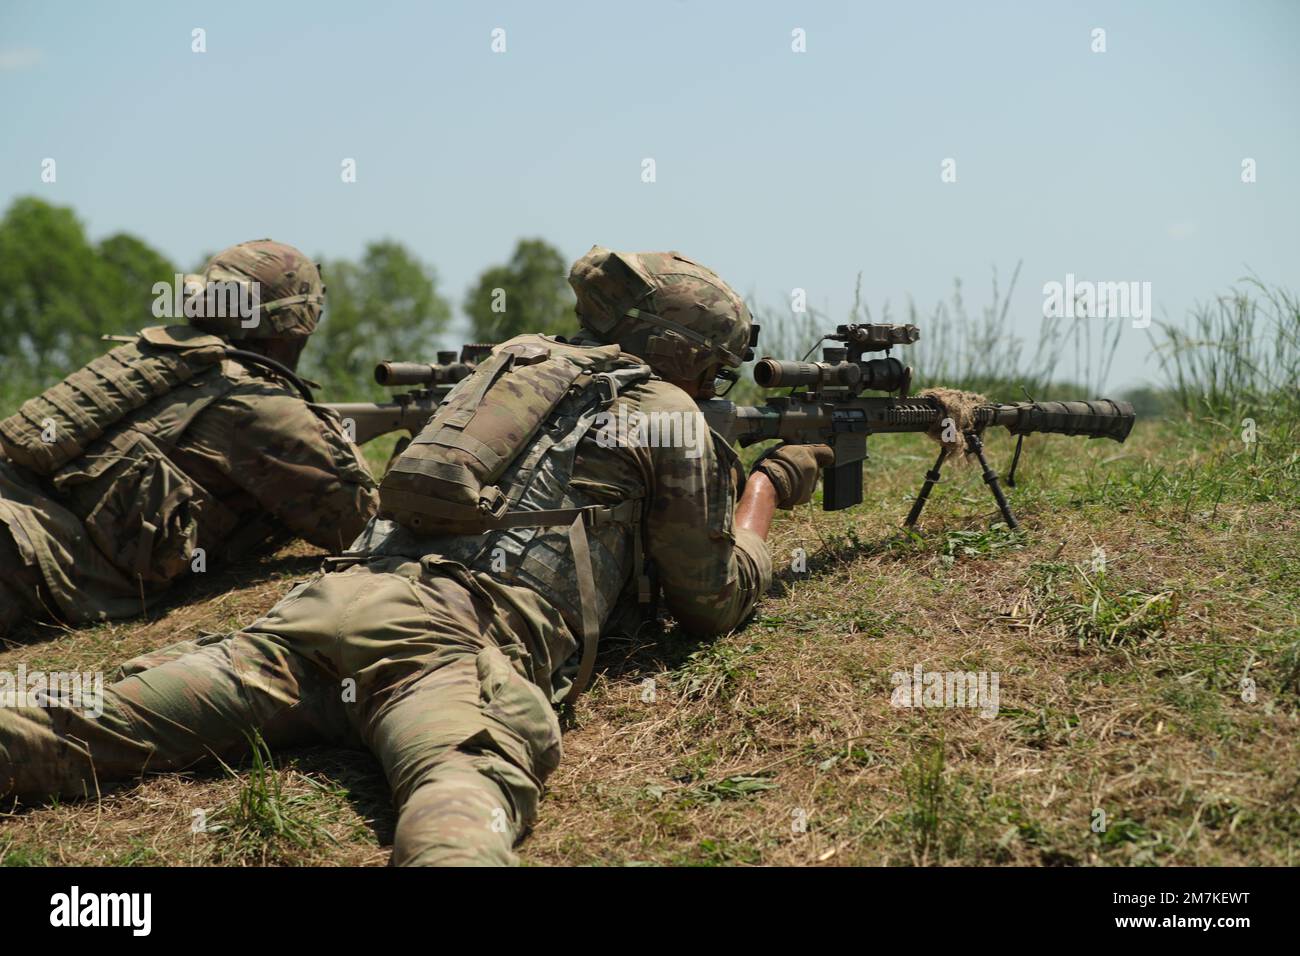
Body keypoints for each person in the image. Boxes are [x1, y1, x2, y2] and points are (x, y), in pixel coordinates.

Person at [0, 247, 832, 866]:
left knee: (75, 725)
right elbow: (711, 600)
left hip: (325, 610)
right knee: (459, 797)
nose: (718, 387)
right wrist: (768, 490)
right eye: (716, 370)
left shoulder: (504, 371)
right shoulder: (665, 412)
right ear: (681, 351)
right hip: (438, 644)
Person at [0, 239, 379, 637]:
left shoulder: (154, 355)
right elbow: (362, 523)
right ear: (298, 323)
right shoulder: (259, 407)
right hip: (23, 556)